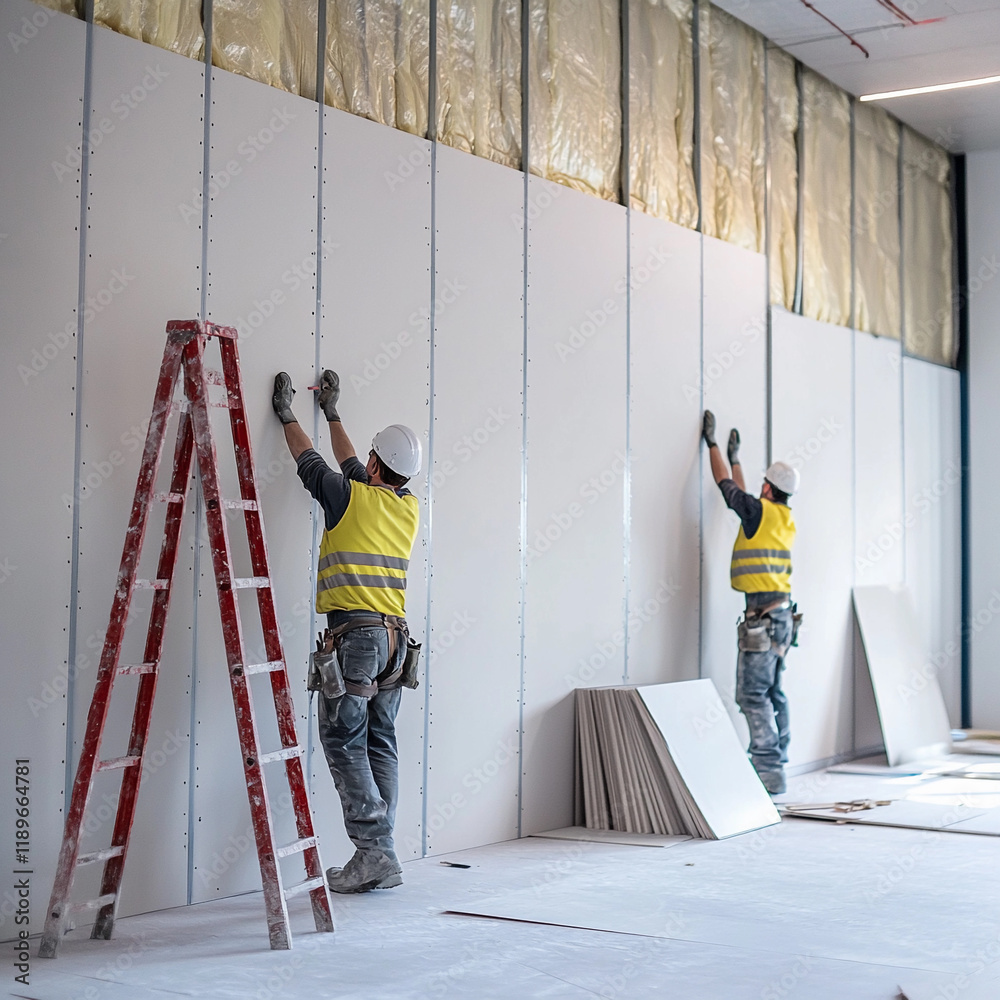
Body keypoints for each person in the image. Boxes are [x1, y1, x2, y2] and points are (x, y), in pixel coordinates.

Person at [271, 369, 421, 892]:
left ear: (377, 464)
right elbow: (354, 466)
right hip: (395, 643)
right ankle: (382, 850)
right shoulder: (406, 508)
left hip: (355, 639)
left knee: (343, 739)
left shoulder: (346, 496)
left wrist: (288, 416)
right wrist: (333, 413)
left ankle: (374, 851)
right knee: (381, 741)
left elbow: (309, 462)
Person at [702, 410, 799, 796]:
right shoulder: (780, 516)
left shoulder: (759, 510)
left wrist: (712, 446)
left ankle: (768, 771)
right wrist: (736, 456)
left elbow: (726, 486)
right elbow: (743, 499)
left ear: (768, 488)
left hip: (762, 617)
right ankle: (779, 761)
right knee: (773, 691)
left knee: (751, 695)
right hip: (783, 615)